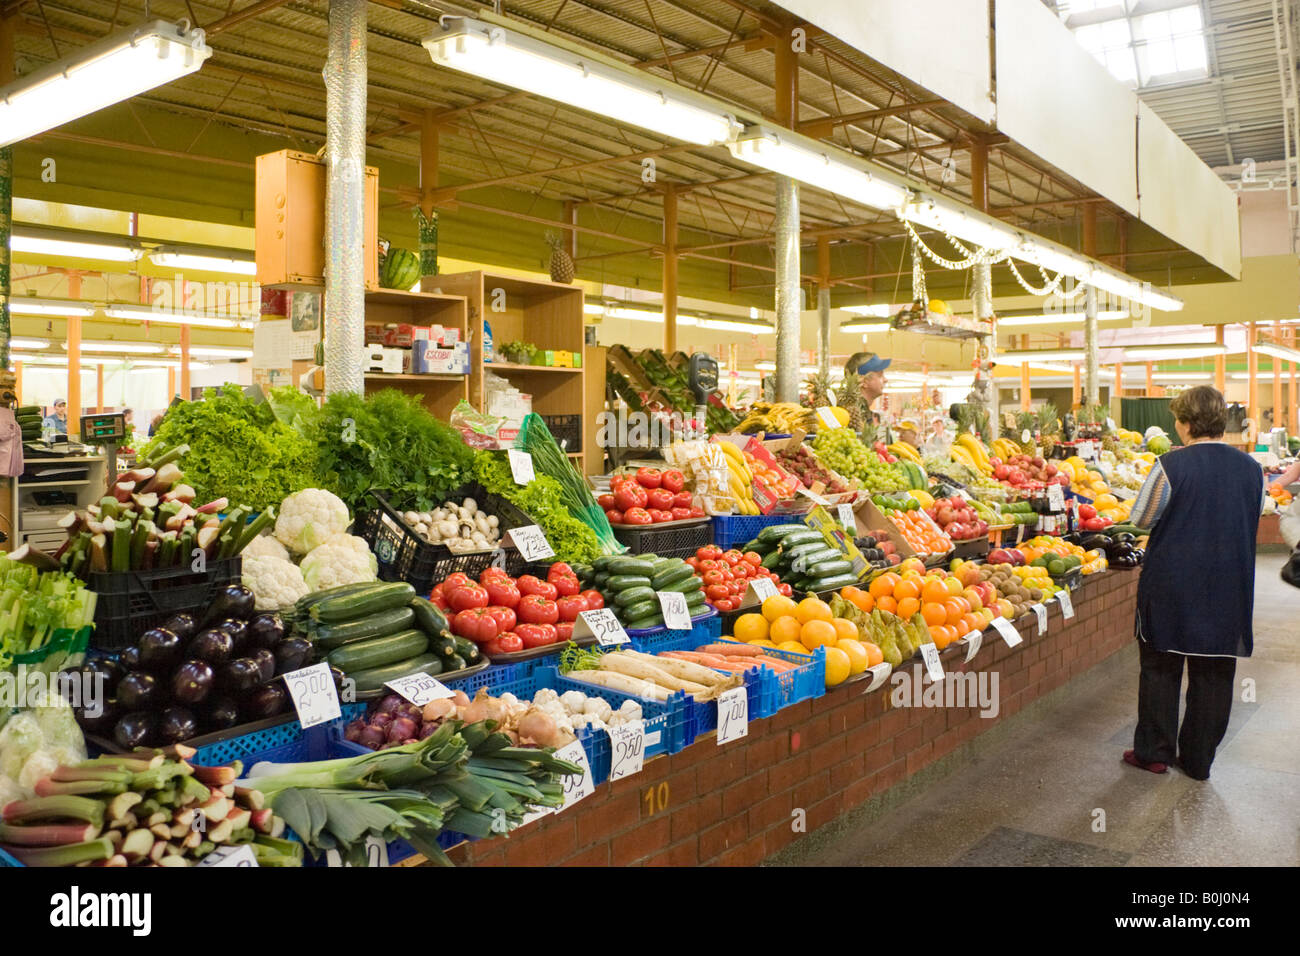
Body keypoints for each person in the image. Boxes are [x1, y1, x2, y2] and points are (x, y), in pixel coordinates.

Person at [1125, 386, 1265, 781]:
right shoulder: (1251, 468)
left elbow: (1142, 518)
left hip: (1172, 583)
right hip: (1229, 582)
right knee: (1215, 672)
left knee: (1160, 668)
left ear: (1186, 423)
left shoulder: (1171, 464)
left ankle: (1154, 753)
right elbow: (1251, 514)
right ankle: (1199, 760)